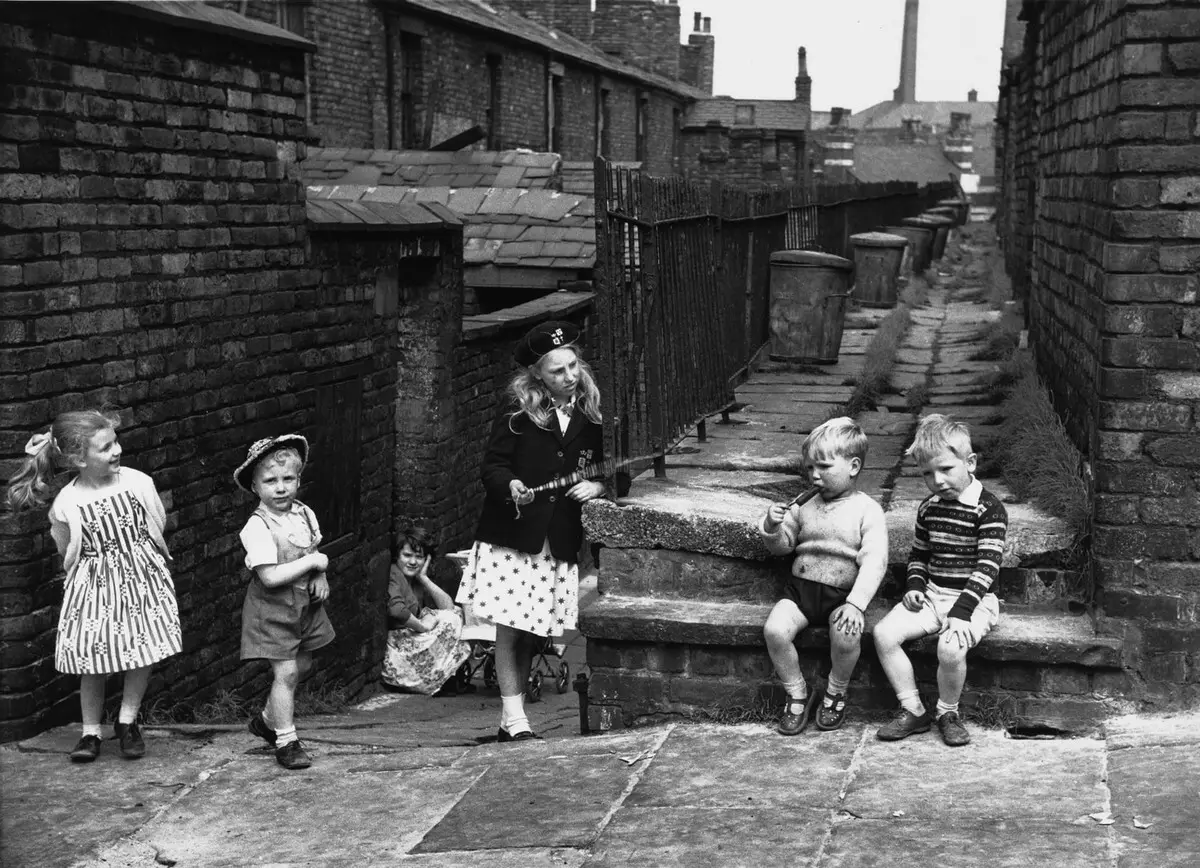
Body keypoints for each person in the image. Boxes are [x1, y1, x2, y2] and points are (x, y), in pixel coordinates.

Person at [457, 320, 605, 742]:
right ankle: (517, 719)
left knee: (531, 634)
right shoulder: (518, 416)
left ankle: (511, 721)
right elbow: (492, 467)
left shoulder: (591, 413)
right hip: (514, 539)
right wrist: (511, 486)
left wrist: (598, 485)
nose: (570, 376)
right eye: (557, 370)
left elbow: (606, 465)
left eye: (573, 365)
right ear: (537, 374)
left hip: (557, 538)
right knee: (510, 628)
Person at [6, 408, 182, 763]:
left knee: (143, 647)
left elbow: (156, 523)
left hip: (141, 578)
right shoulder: (67, 502)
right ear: (78, 459)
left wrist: (138, 561)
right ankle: (90, 732)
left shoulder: (138, 483)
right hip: (94, 586)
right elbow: (65, 544)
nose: (116, 451)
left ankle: (127, 721)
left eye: (115, 442)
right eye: (105, 448)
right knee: (94, 657)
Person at [873, 414, 1008, 747]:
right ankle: (914, 709)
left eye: (946, 469)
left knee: (949, 648)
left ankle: (948, 713)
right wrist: (915, 587)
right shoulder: (929, 508)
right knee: (883, 634)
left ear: (970, 462)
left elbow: (987, 565)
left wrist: (962, 611)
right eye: (927, 474)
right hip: (933, 596)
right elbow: (919, 556)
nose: (937, 480)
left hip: (974, 602)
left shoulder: (988, 509)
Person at [759, 417, 888, 735]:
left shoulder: (867, 510)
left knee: (846, 636)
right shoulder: (803, 506)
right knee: (775, 631)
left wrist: (856, 604)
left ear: (853, 466)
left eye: (824, 467)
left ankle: (835, 690)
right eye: (809, 468)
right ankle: (797, 692)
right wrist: (772, 527)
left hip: (841, 597)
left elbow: (875, 562)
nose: (814, 475)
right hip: (800, 593)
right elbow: (783, 547)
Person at [234, 434, 335, 770]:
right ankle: (286, 742)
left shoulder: (304, 514)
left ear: (298, 479)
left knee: (303, 665)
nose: (280, 488)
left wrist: (319, 575)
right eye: (270, 480)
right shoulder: (257, 526)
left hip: (306, 604)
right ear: (254, 486)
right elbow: (271, 577)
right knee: (287, 672)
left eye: (288, 479)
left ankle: (266, 719)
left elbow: (313, 551)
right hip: (273, 607)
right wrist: (313, 566)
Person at [382, 525, 472, 696]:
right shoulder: (395, 573)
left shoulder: (415, 580)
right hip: (399, 647)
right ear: (397, 556)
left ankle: (445, 676)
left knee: (456, 613)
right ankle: (437, 678)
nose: (413, 562)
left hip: (410, 641)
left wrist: (423, 578)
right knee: (451, 619)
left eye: (419, 557)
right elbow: (396, 610)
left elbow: (448, 607)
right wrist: (422, 626)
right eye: (407, 555)